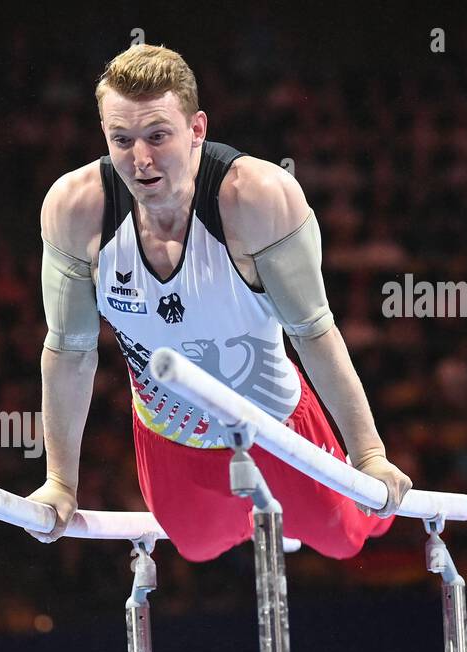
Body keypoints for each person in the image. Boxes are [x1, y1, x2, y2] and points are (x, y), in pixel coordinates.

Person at [27, 44, 411, 561]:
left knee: (345, 540)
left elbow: (313, 330)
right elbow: (70, 352)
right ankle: (249, 521)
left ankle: (354, 508)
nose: (140, 160)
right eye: (122, 140)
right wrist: (60, 483)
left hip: (278, 425)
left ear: (197, 129)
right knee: (197, 548)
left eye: (158, 136)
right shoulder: (76, 209)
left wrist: (369, 455)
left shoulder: (256, 198)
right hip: (170, 437)